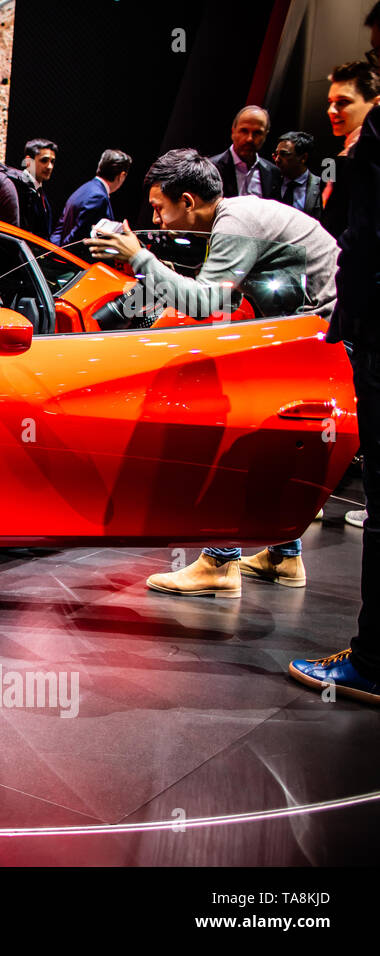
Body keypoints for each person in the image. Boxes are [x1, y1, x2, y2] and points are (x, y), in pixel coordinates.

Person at [84, 149, 340, 598]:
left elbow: (206, 302)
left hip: (327, 337)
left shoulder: (235, 224)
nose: (158, 220)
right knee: (269, 442)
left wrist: (140, 256)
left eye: (161, 209)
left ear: (187, 200)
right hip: (320, 333)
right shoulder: (238, 217)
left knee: (238, 437)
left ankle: (220, 565)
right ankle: (283, 556)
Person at [290, 60, 380, 703]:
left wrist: (350, 333)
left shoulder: (372, 149)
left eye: (344, 101)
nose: (332, 111)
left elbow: (364, 245)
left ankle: (372, 662)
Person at [322, 61, 380, 237]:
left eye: (343, 102)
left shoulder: (365, 157)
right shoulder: (337, 159)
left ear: (376, 104)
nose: (331, 110)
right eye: (331, 102)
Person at [51, 148, 131, 247]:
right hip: (76, 259)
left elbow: (60, 228)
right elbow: (78, 238)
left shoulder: (84, 188)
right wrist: (62, 252)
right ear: (122, 175)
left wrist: (54, 251)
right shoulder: (99, 197)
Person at [208, 105, 283, 199]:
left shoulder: (273, 173)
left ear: (265, 135)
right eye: (244, 131)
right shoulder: (210, 168)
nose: (249, 139)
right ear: (233, 132)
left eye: (257, 133)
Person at [271, 131, 324, 220]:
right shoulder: (270, 181)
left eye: (284, 154)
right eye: (276, 154)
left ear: (303, 158)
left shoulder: (321, 187)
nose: (277, 160)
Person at [16, 138, 57, 239]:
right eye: (44, 160)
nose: (49, 166)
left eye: (52, 161)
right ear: (28, 161)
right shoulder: (19, 187)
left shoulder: (38, 189)